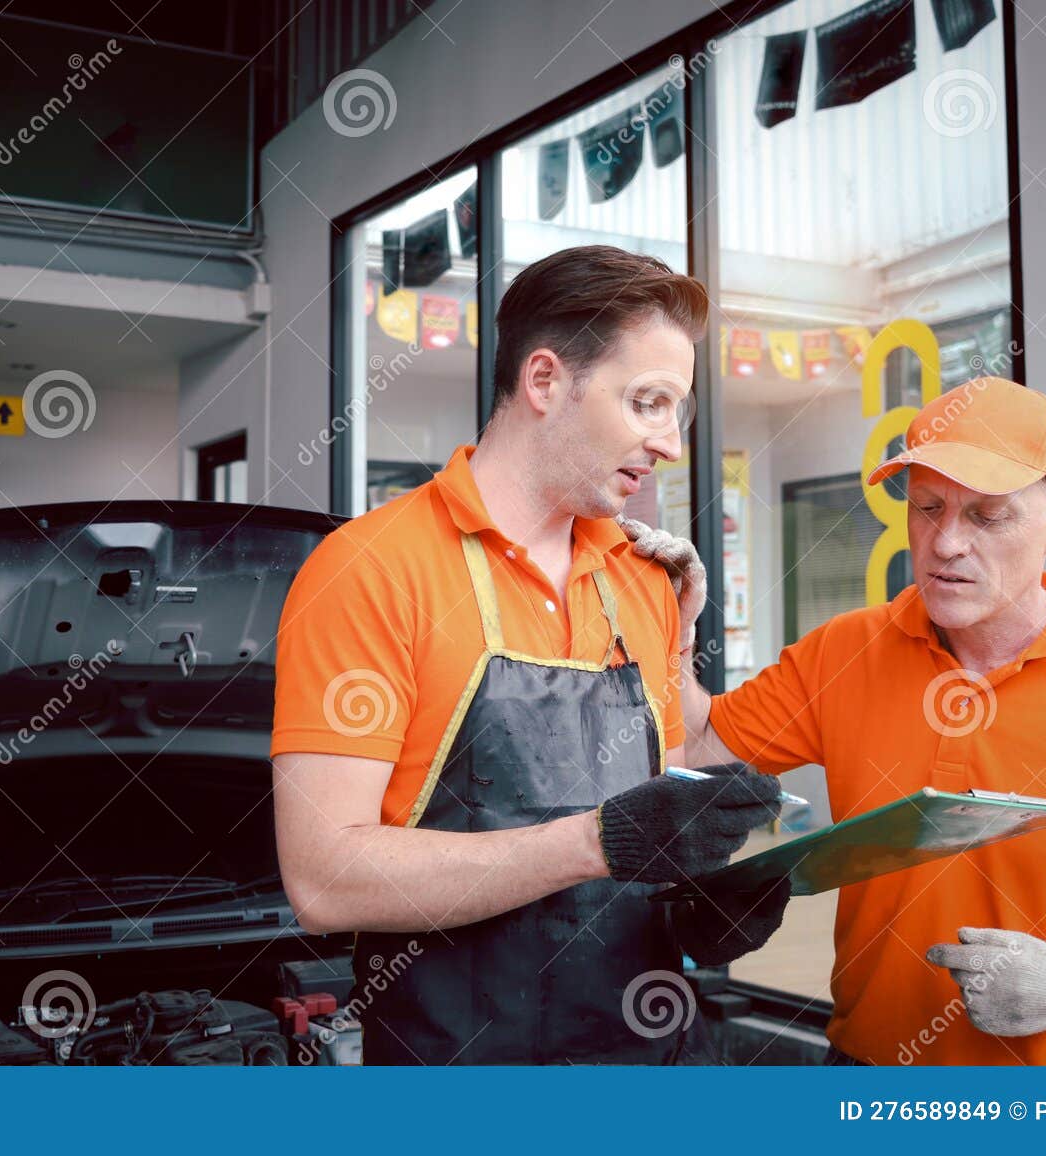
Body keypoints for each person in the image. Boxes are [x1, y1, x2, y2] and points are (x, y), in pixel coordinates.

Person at [625, 375, 1046, 1064]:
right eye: (928, 507)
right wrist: (673, 636)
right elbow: (700, 747)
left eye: (986, 516)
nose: (944, 544)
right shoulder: (845, 651)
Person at [271, 245, 791, 1065]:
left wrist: (710, 906)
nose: (668, 443)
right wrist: (596, 844)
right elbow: (325, 879)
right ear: (544, 381)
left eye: (677, 411)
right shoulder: (372, 569)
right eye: (648, 403)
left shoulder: (645, 583)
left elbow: (654, 838)